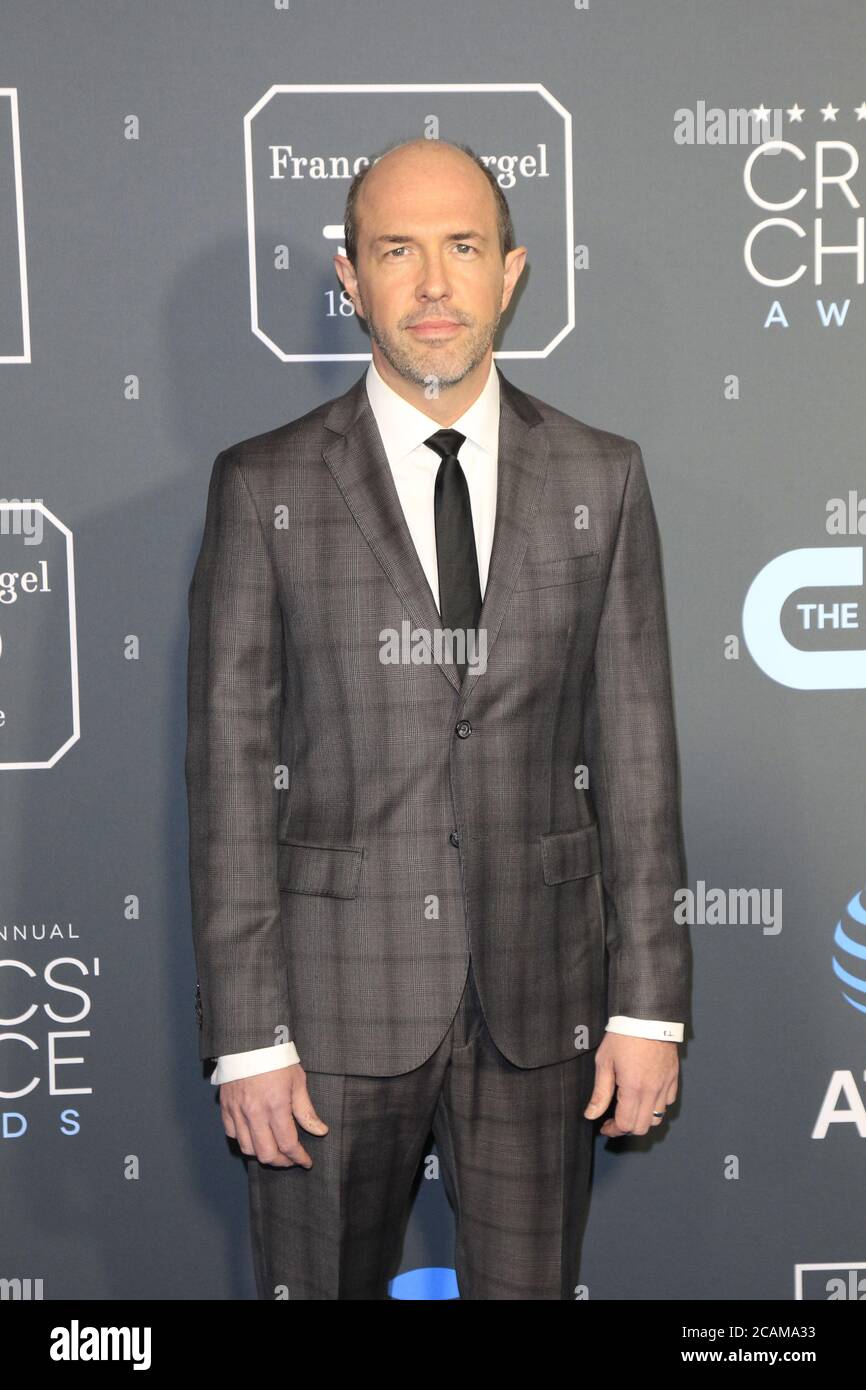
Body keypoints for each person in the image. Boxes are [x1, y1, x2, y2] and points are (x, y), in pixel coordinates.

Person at [184, 135, 691, 1300]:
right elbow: (226, 771)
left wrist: (648, 1004)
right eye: (395, 251)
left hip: (543, 1002)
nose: (430, 284)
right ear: (349, 278)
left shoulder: (598, 479)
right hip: (325, 1007)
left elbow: (635, 756)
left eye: (461, 247)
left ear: (508, 273)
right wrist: (248, 1034)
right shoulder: (264, 486)